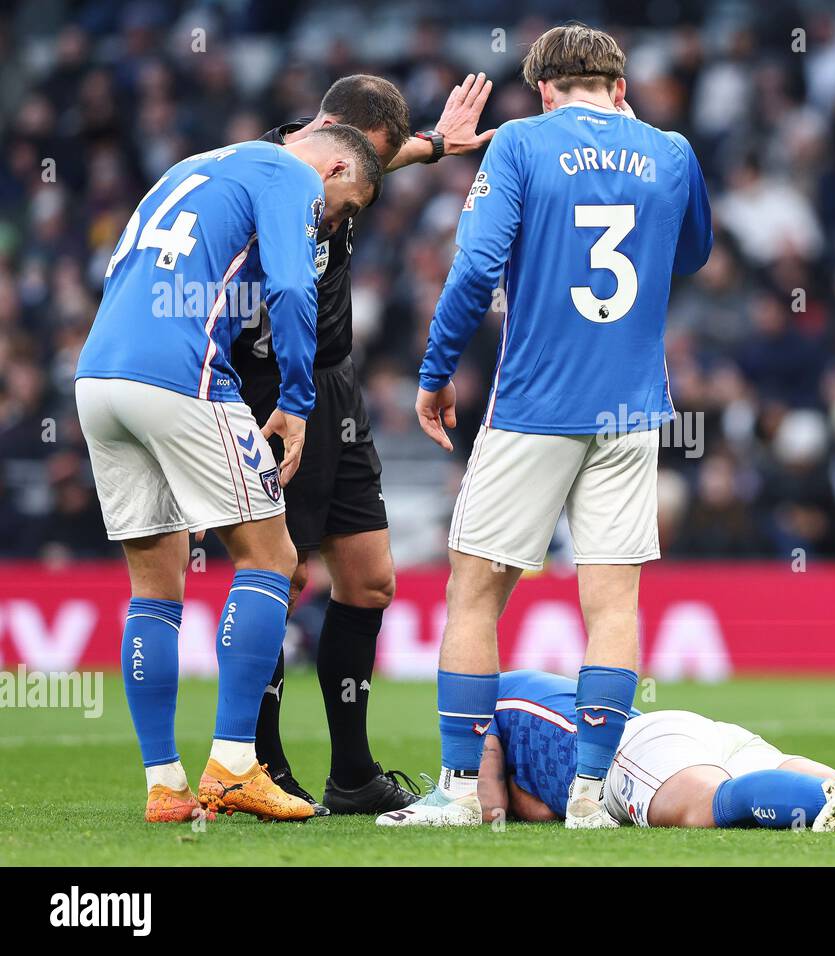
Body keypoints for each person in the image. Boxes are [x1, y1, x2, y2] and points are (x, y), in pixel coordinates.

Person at [385, 23, 712, 829]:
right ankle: (593, 799)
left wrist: (434, 375)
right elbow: (695, 253)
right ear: (620, 88)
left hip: (535, 404)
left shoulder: (524, 143)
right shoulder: (671, 151)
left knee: (474, 597)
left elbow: (472, 272)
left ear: (542, 89)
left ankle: (463, 793)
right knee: (613, 604)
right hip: (632, 409)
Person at [74, 127, 381, 822]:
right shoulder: (291, 176)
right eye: (345, 204)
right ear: (332, 165)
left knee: (154, 585)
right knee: (271, 555)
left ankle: (164, 783)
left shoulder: (192, 164)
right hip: (183, 375)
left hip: (98, 377)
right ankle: (236, 764)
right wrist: (297, 402)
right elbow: (296, 289)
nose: (333, 221)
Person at [235, 73, 496, 816]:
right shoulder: (257, 169)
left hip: (335, 386)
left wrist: (441, 144)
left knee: (371, 580)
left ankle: (351, 773)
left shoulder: (350, 158)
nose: (373, 188)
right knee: (279, 580)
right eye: (371, 168)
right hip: (271, 390)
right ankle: (259, 767)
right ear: (336, 144)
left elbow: (388, 154)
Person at [377, 670, 835, 834]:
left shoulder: (482, 713)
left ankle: (832, 806)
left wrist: (480, 798)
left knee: (710, 808)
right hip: (681, 727)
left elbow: (495, 810)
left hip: (635, 753)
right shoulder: (529, 691)